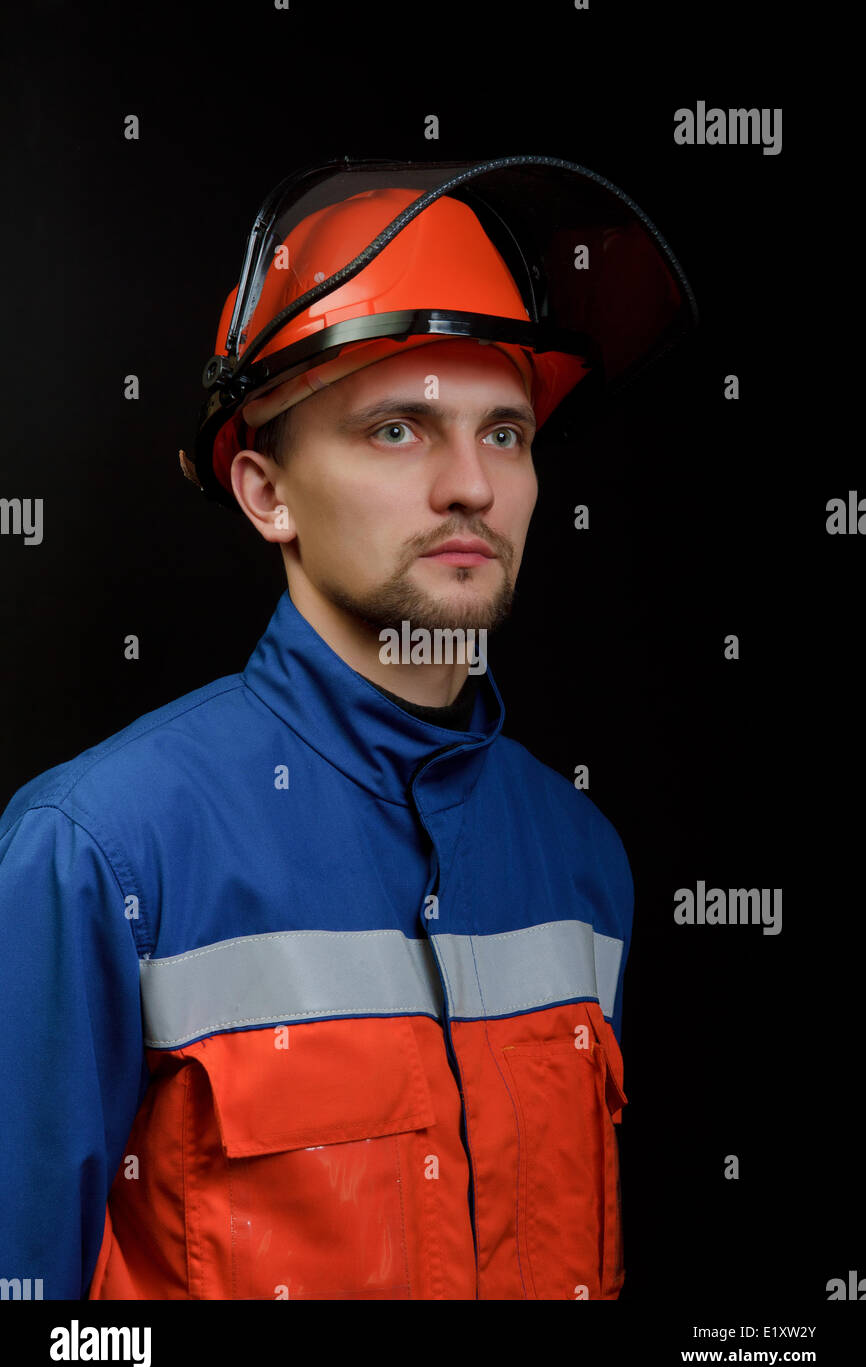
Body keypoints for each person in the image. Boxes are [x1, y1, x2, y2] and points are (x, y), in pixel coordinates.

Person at [0, 155, 697, 1300]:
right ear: (266, 493)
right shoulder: (99, 851)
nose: (469, 484)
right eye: (396, 431)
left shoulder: (580, 858)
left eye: (506, 432)